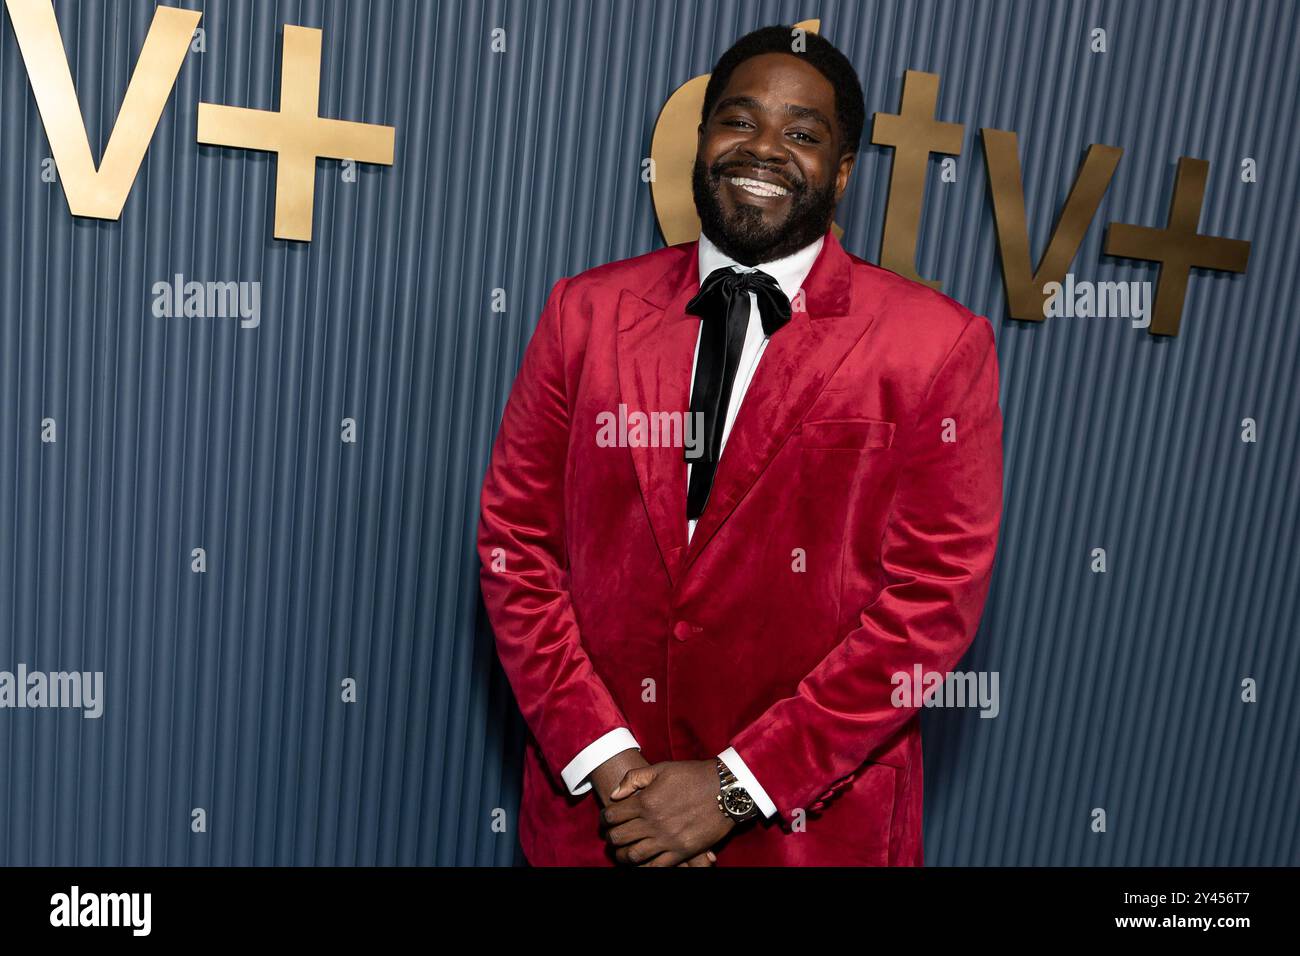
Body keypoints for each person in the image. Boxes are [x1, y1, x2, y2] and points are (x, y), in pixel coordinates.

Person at [477, 24, 1003, 866]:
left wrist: (733, 786)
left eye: (803, 133)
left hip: (810, 831)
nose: (764, 147)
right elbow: (517, 547)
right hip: (599, 823)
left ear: (842, 171)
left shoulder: (935, 345)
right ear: (702, 137)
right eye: (739, 119)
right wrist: (613, 769)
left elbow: (931, 603)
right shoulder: (584, 312)